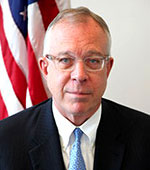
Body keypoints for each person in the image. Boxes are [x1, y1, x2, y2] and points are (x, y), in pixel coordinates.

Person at [0, 6, 150, 170]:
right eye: (65, 60)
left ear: (107, 68)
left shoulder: (145, 137)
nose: (79, 75)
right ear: (45, 68)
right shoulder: (5, 141)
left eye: (92, 61)